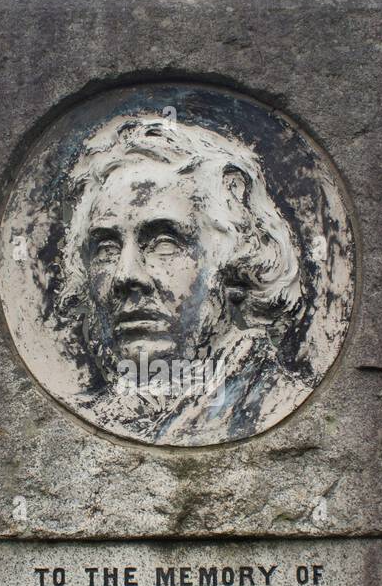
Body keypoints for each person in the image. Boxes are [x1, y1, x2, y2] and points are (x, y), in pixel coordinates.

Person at [55, 114, 312, 444]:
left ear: (235, 257)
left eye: (164, 243)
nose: (126, 275)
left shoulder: (270, 402)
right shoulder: (97, 418)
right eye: (106, 247)